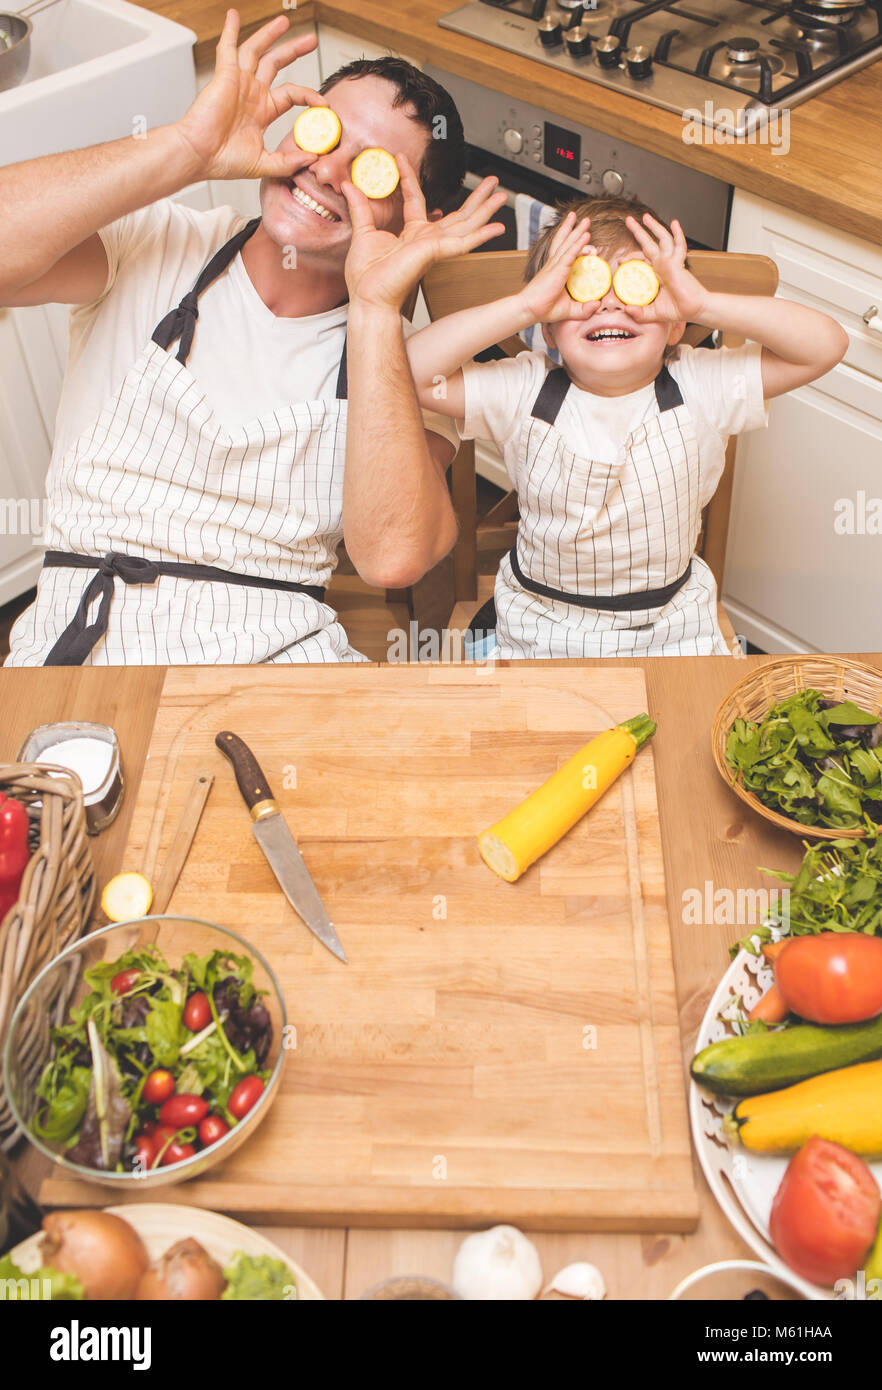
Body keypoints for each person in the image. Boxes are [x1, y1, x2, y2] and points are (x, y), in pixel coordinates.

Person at [0, 11, 505, 665]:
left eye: (371, 169)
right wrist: (185, 149)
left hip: (276, 660)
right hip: (79, 647)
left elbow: (394, 556)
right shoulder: (152, 241)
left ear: (414, 220)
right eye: (324, 136)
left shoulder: (408, 359)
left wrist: (377, 310)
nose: (327, 173)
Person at [403, 195, 849, 658]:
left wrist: (703, 302)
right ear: (550, 330)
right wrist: (523, 307)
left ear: (674, 323)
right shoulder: (521, 388)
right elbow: (406, 373)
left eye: (636, 285)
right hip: (541, 624)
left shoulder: (703, 383)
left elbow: (825, 346)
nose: (610, 303)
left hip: (672, 626)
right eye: (582, 284)